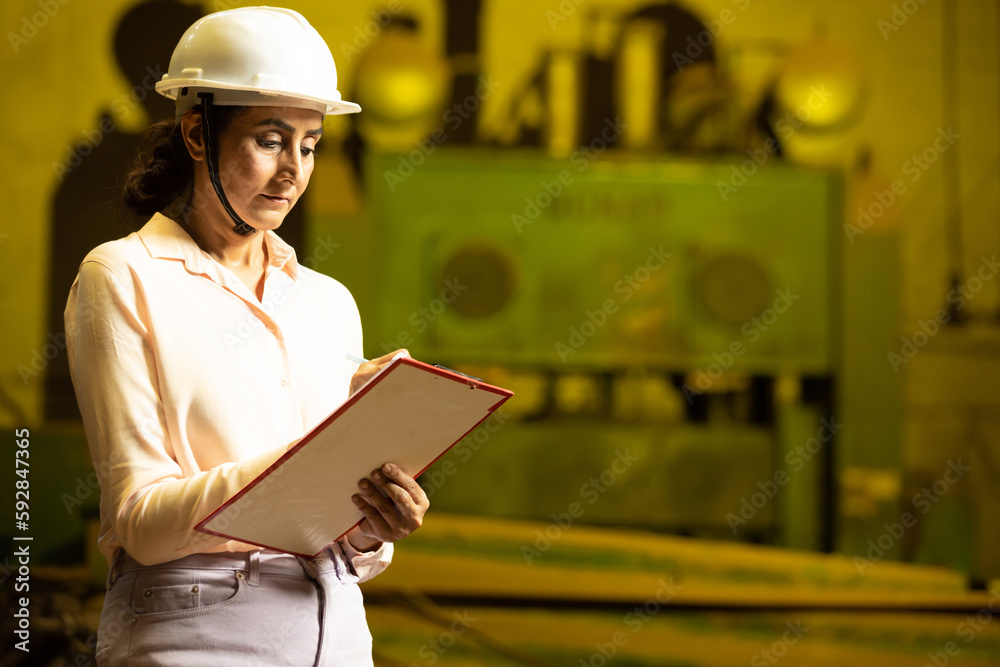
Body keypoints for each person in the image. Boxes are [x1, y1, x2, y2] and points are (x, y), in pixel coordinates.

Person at [63, 7, 429, 666]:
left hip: (339, 635)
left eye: (310, 144)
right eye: (270, 139)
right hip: (194, 637)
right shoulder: (123, 275)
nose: (293, 170)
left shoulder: (327, 303)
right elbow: (140, 521)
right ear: (199, 134)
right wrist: (310, 465)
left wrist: (371, 523)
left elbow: (336, 536)